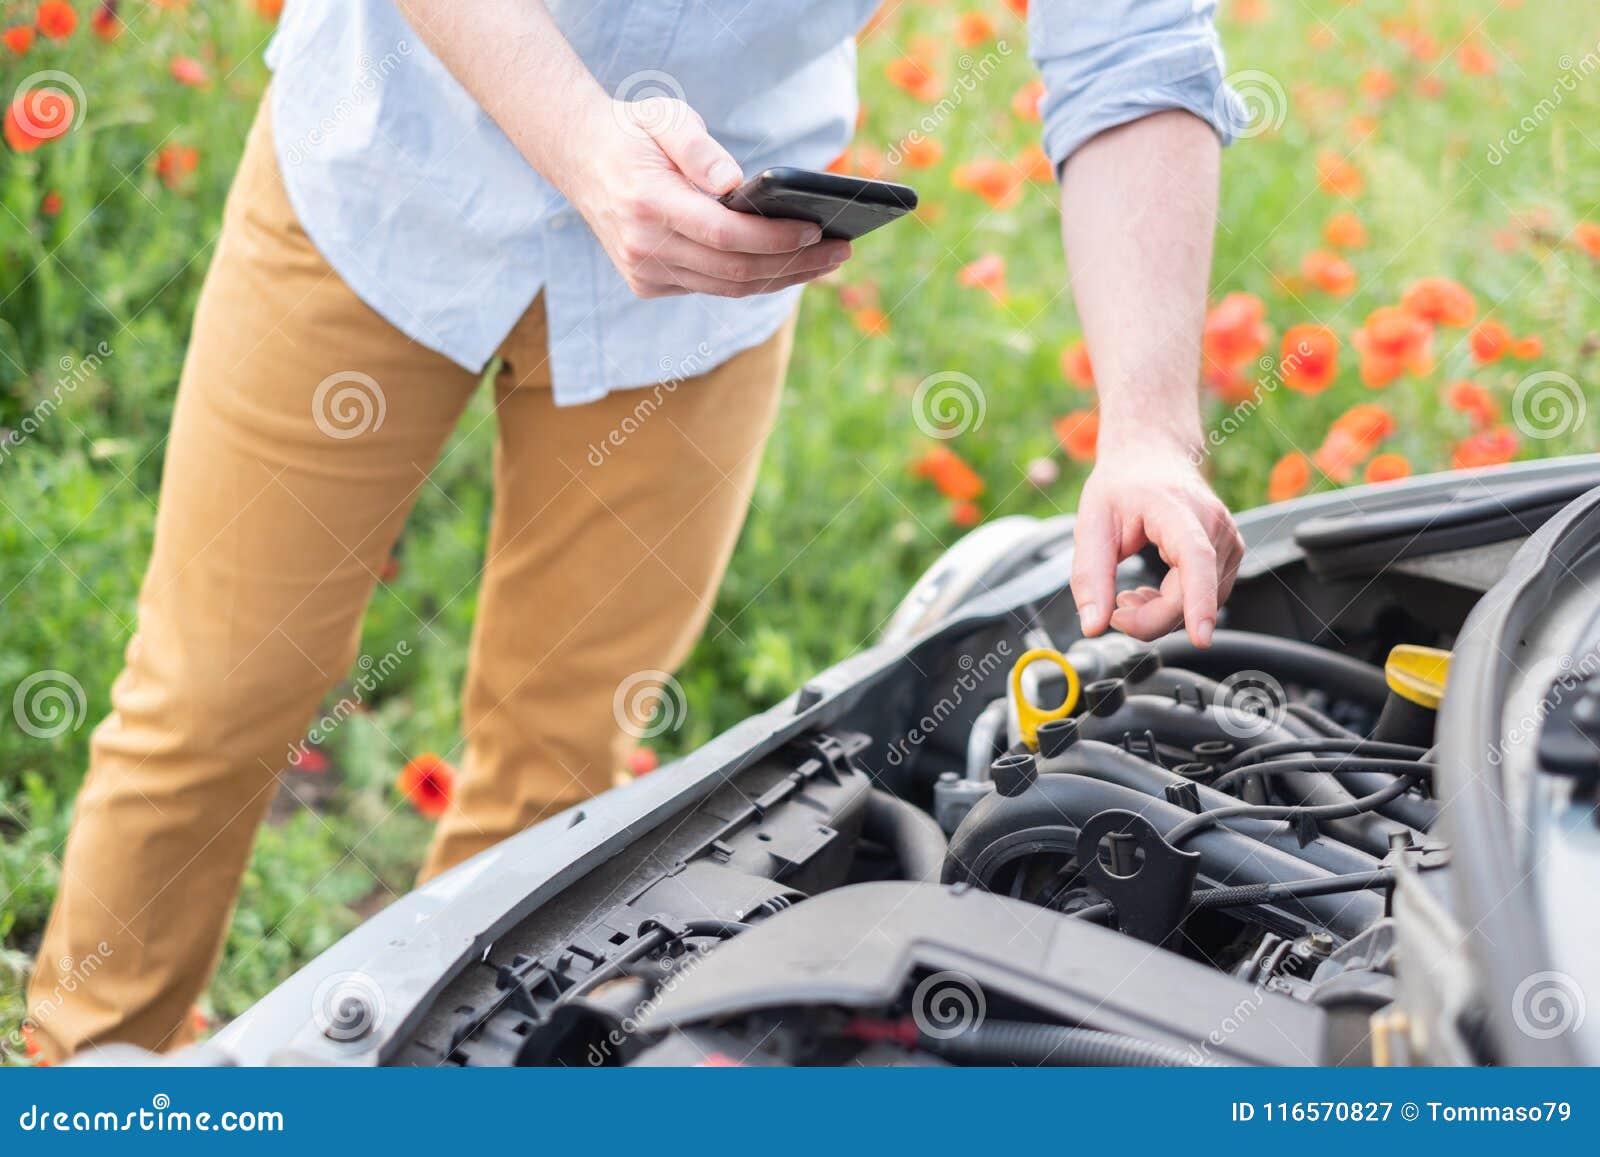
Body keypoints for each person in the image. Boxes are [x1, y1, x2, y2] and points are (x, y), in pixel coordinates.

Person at [29, 0, 1246, 1061]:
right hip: (389, 176)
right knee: (216, 697)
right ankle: (83, 1080)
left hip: (698, 283)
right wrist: (585, 149)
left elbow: (1132, 43)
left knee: (557, 773)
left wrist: (1147, 427)